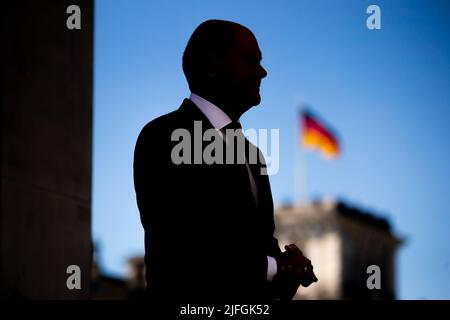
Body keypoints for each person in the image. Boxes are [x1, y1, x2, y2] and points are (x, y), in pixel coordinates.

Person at [133, 19, 317, 303]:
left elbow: (256, 249)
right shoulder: (163, 136)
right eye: (250, 60)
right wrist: (275, 266)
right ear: (210, 65)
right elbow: (184, 249)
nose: (263, 72)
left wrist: (288, 272)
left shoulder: (253, 155)